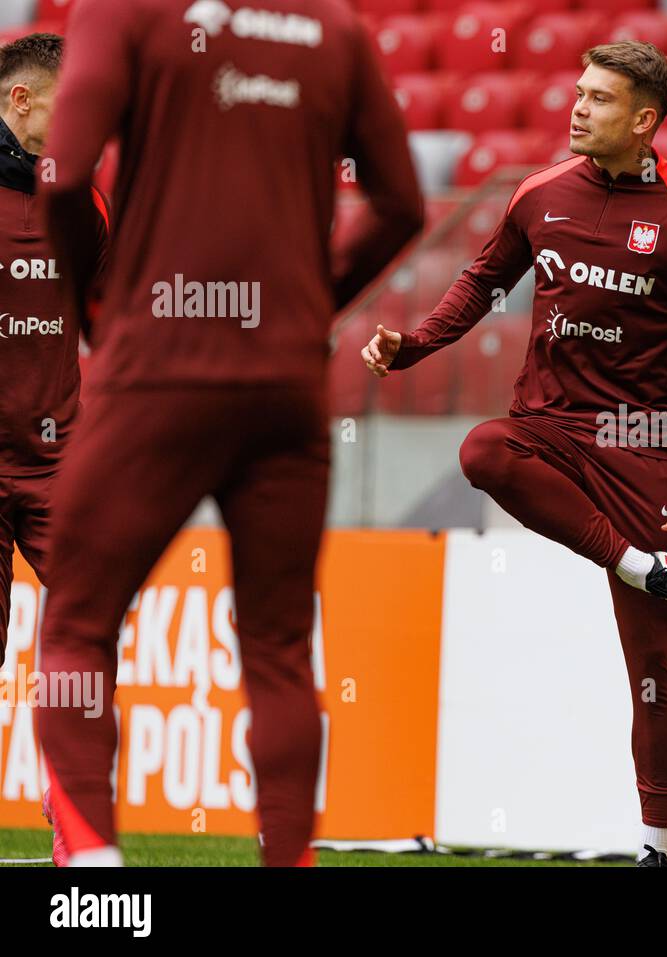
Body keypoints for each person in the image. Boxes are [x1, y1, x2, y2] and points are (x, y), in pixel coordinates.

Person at [37, 0, 424, 866]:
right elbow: (401, 203)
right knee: (279, 648)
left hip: (154, 368)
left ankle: (96, 878)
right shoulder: (339, 30)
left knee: (75, 627)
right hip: (286, 380)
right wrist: (308, 302)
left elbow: (60, 176)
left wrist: (91, 308)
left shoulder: (125, 10)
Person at [362, 40, 667, 867]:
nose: (577, 107)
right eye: (578, 91)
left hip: (648, 445)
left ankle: (657, 846)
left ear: (644, 121)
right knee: (484, 451)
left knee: (652, 666)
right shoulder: (540, 194)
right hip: (551, 425)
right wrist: (417, 343)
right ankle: (640, 565)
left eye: (599, 99)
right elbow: (482, 279)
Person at [0, 32, 108, 867]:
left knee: (86, 639)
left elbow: (110, 331)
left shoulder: (84, 203)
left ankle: (74, 825)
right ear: (24, 102)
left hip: (58, 462)